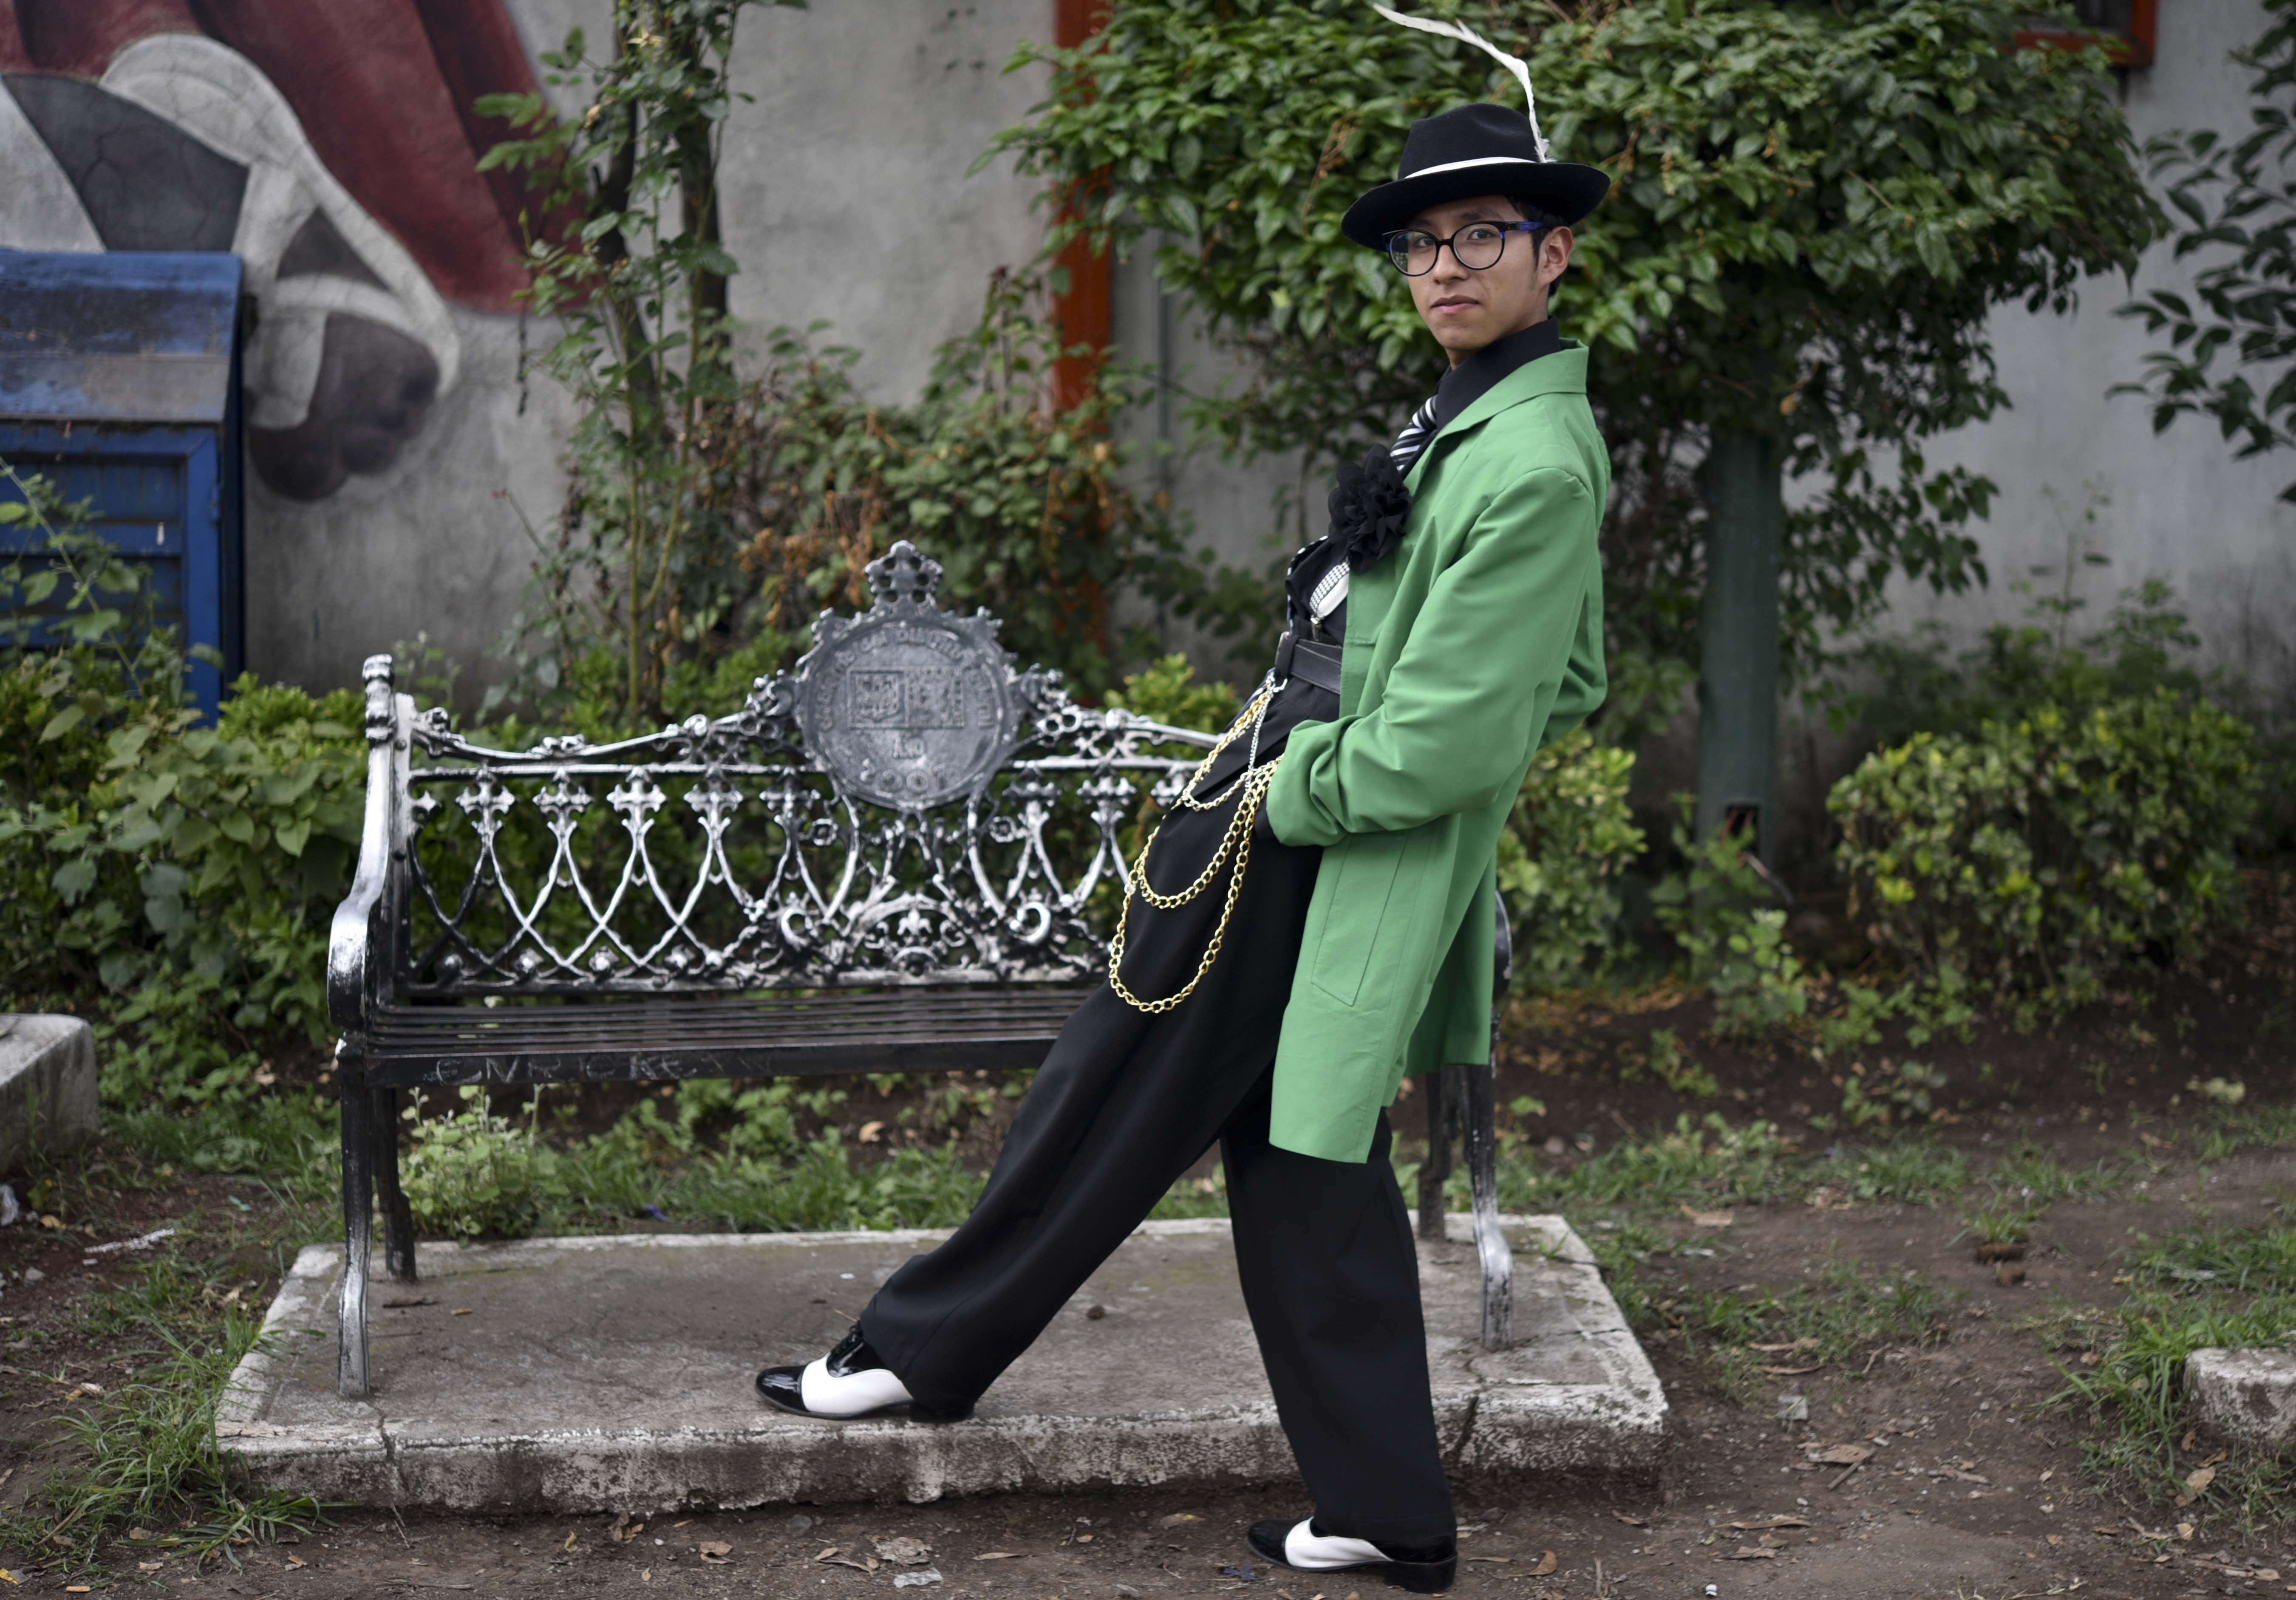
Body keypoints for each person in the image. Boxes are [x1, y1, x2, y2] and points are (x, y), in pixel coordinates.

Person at [756, 24, 1610, 1596]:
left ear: (1554, 252)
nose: (1445, 266)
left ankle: (919, 1350)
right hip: (1297, 819)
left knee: (1110, 1082)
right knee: (1301, 1165)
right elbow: (1568, 681)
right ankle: (1384, 1508)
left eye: (1483, 235)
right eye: (1423, 243)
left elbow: (1455, 740)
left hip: (1307, 841)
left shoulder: (1534, 460)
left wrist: (1300, 779)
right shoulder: (1471, 415)